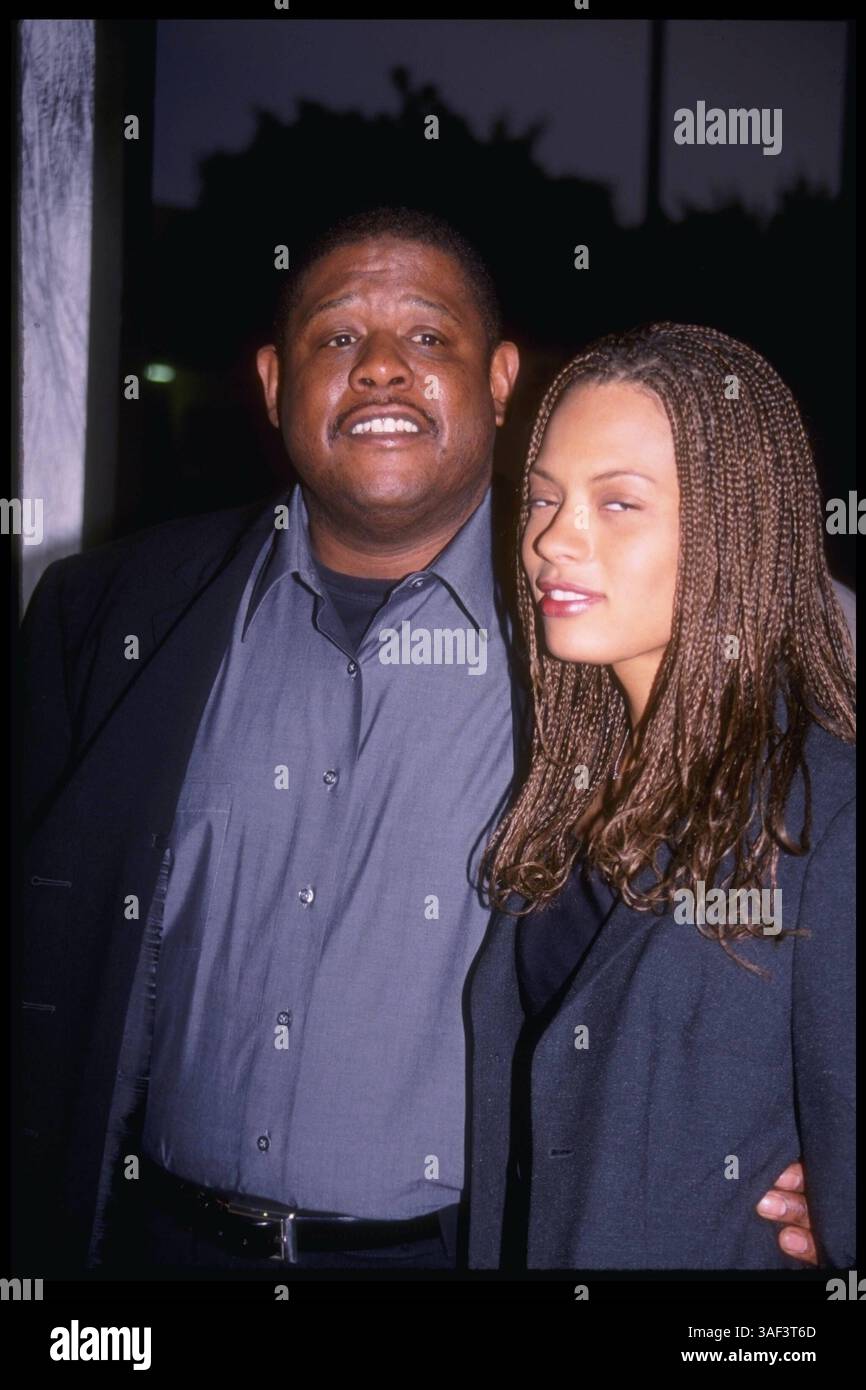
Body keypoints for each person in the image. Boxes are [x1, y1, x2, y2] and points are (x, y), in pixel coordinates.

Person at [15, 213, 821, 1276]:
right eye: (337, 338)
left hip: (461, 1255)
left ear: (497, 380)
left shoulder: (609, 615)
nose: (383, 367)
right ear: (271, 380)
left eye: (428, 338)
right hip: (148, 1249)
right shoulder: (107, 618)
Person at [468, 322, 856, 1270]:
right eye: (547, 498)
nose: (554, 539)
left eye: (620, 503)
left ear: (735, 531)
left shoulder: (829, 813)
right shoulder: (571, 792)